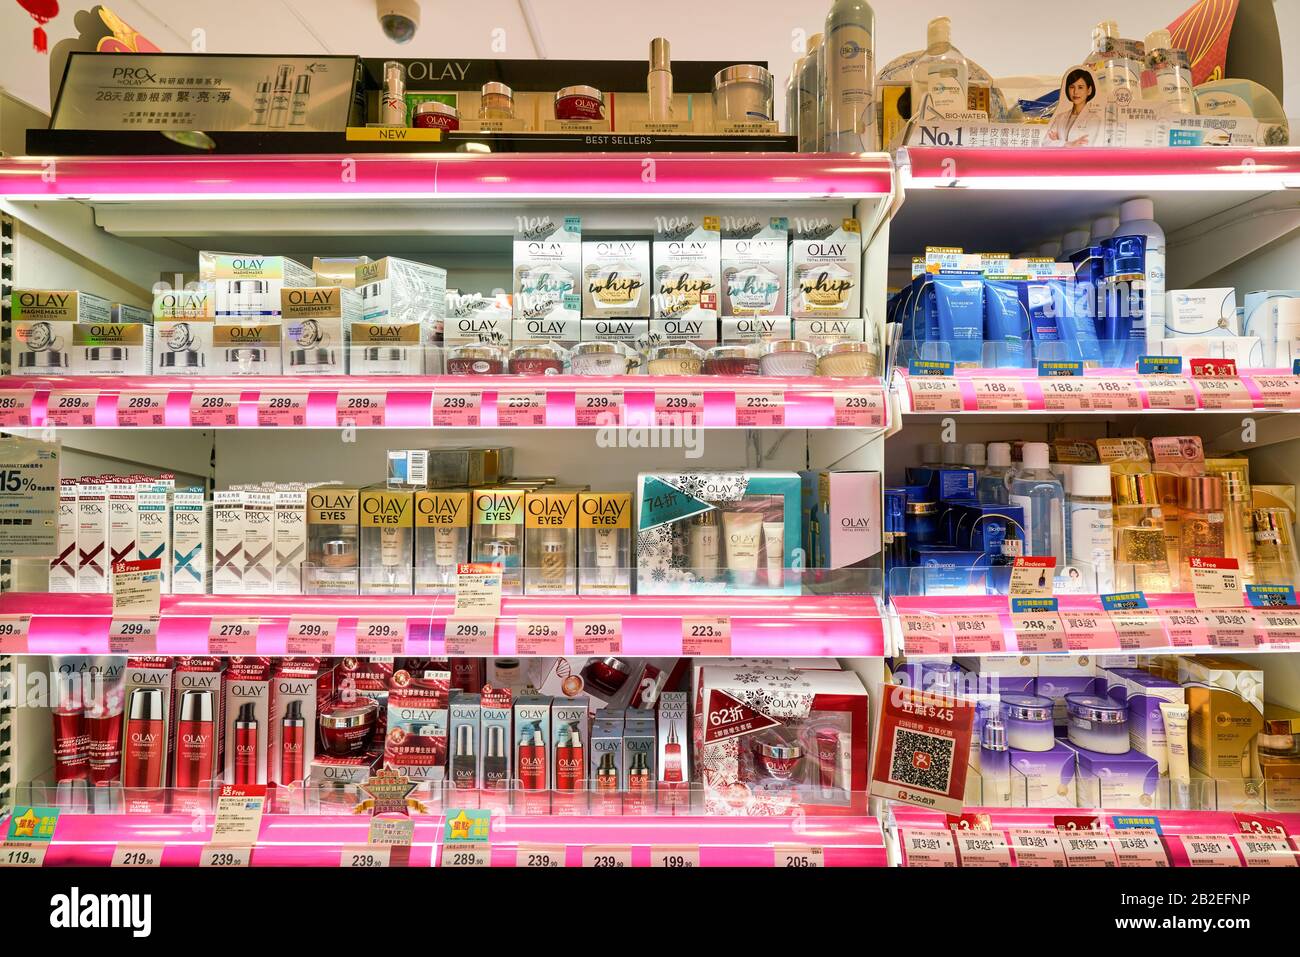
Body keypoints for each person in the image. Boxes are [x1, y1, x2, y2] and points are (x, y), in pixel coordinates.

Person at [1045, 67, 1103, 147]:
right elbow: (1046, 143)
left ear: (1089, 90)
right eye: (1072, 87)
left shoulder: (1094, 120)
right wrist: (1069, 144)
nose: (1075, 92)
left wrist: (1058, 141)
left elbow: (1084, 148)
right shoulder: (1060, 118)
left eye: (1080, 87)